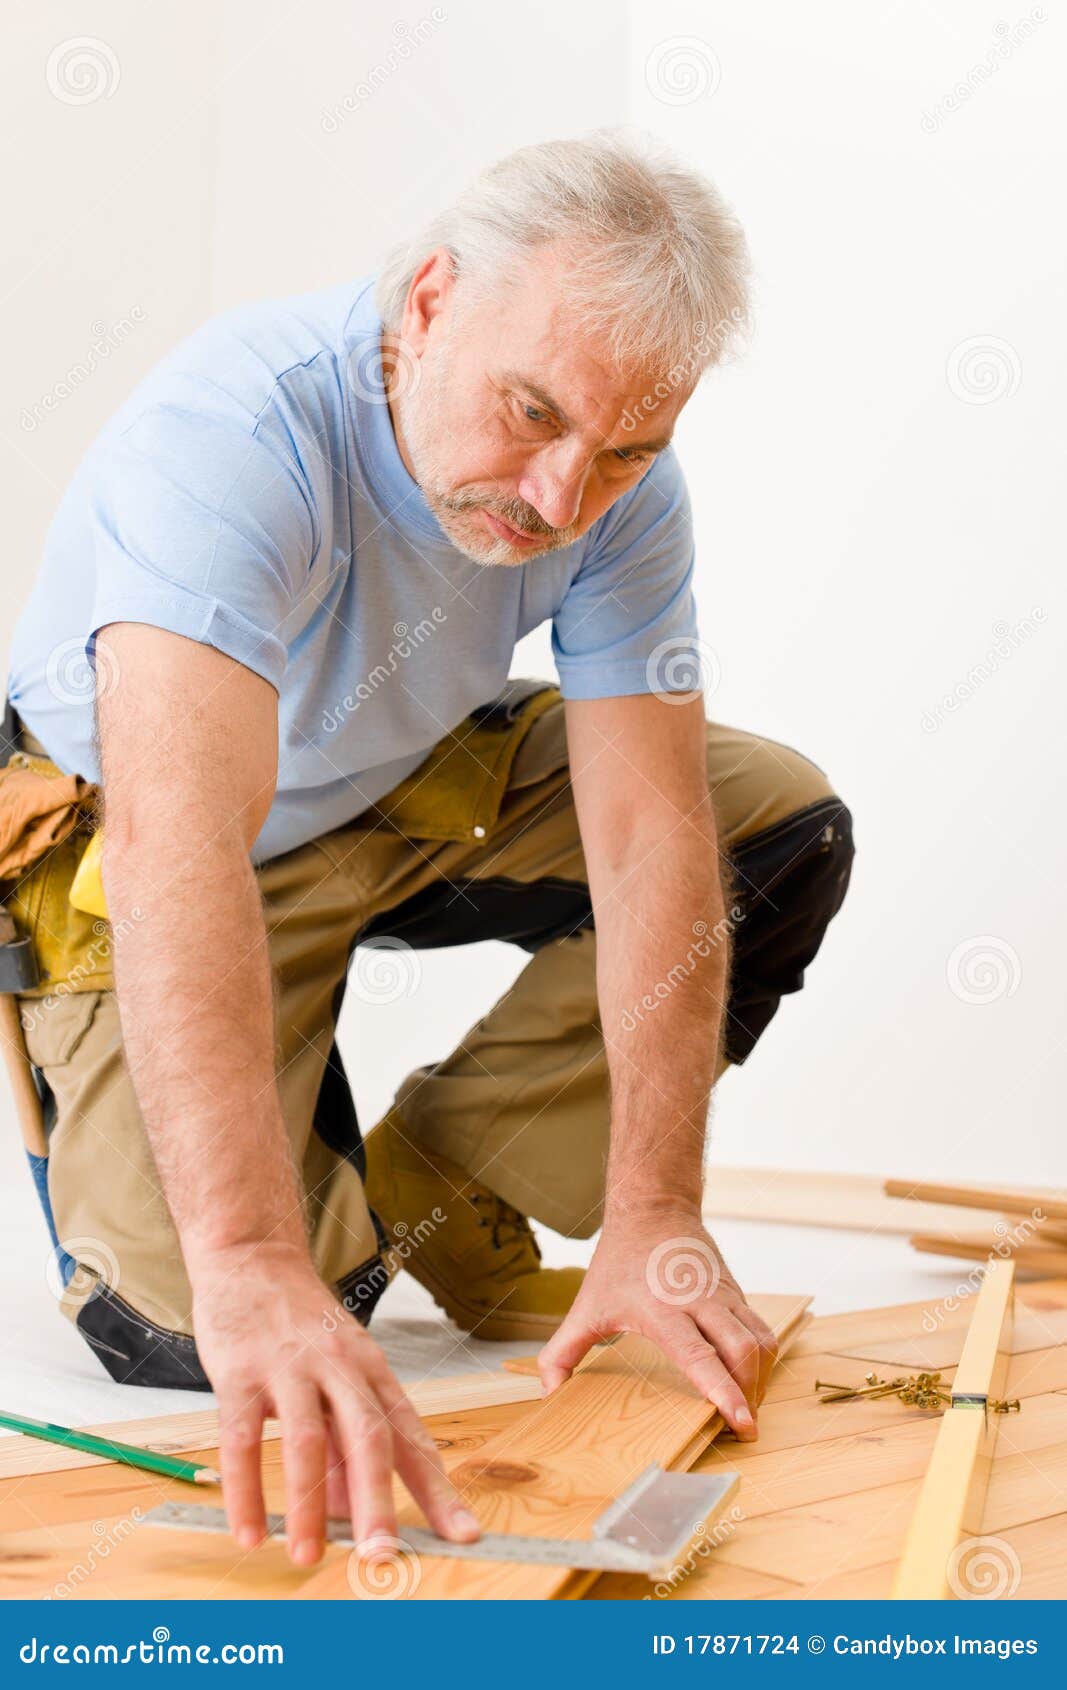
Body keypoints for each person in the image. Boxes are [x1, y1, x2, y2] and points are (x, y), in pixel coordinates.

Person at [3, 132, 854, 1563]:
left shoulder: (616, 487)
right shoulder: (230, 436)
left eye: (627, 449)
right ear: (430, 299)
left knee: (773, 831)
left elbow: (649, 837)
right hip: (147, 838)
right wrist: (257, 1262)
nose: (563, 496)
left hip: (394, 775)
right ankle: (323, 1237)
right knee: (206, 1331)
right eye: (531, 414)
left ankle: (439, 1181)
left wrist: (655, 1209)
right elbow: (175, 847)